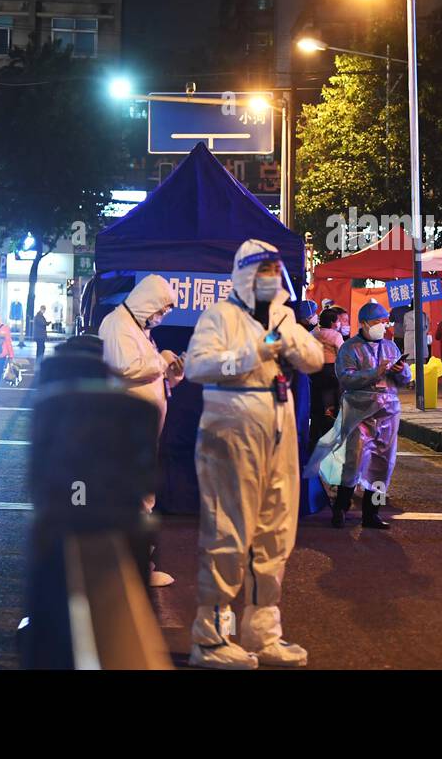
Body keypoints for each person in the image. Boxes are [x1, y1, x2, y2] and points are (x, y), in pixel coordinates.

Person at [184, 240, 324, 668]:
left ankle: (262, 633)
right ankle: (210, 638)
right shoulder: (220, 316)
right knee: (228, 530)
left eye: (273, 271)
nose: (268, 280)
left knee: (276, 531)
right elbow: (197, 366)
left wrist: (290, 343)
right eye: (261, 272)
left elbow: (316, 358)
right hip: (231, 426)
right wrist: (254, 352)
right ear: (244, 275)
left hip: (279, 427)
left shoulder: (283, 315)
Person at [98, 274, 184, 587]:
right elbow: (125, 367)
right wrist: (161, 363)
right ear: (145, 302)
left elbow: (146, 371)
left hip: (143, 430)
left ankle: (138, 564)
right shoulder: (117, 324)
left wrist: (170, 375)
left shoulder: (139, 329)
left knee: (141, 495)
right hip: (126, 427)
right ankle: (124, 568)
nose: (161, 317)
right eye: (160, 310)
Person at [328, 301, 412, 529]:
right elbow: (345, 378)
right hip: (359, 412)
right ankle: (341, 508)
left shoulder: (391, 347)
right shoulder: (349, 348)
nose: (382, 327)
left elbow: (405, 380)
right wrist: (376, 372)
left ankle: (372, 513)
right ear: (363, 324)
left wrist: (401, 370)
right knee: (353, 462)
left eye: (384, 323)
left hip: (388, 414)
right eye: (377, 323)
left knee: (383, 464)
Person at [309, 307, 345, 443]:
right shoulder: (335, 335)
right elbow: (342, 353)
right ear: (332, 322)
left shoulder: (314, 334)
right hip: (331, 373)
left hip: (316, 371)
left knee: (318, 405)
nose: (339, 324)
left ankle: (314, 437)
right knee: (331, 405)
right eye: (338, 321)